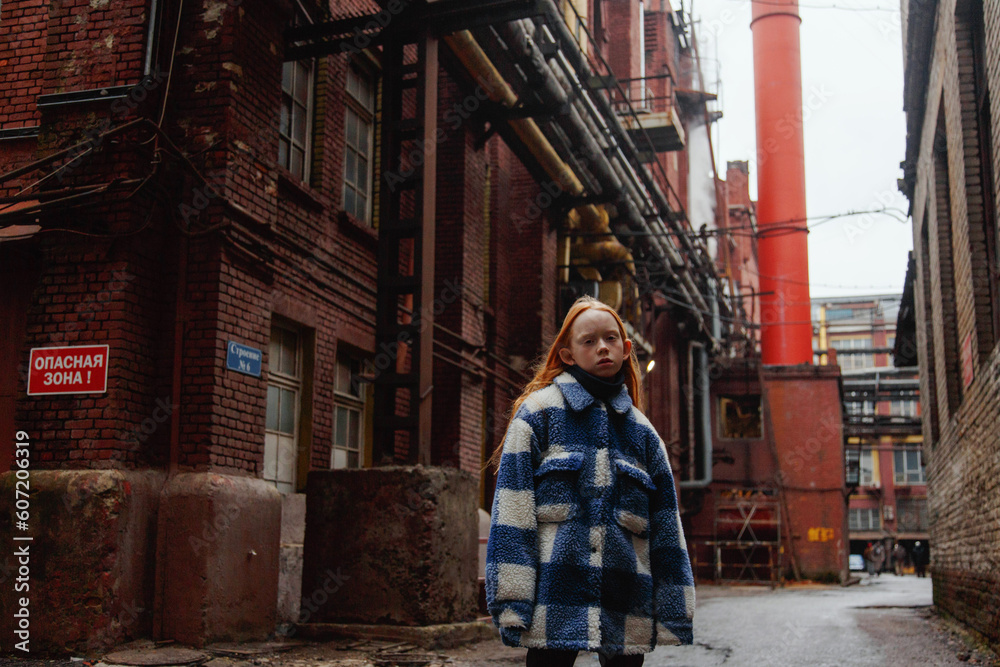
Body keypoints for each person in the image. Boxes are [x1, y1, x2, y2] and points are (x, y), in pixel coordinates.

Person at [484, 296, 695, 667]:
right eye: (589, 340)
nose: (602, 347)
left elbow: (666, 528)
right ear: (567, 355)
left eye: (611, 339)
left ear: (626, 348)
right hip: (554, 596)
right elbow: (513, 514)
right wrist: (511, 601)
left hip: (626, 599)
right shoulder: (537, 416)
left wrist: (675, 608)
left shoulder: (643, 435)